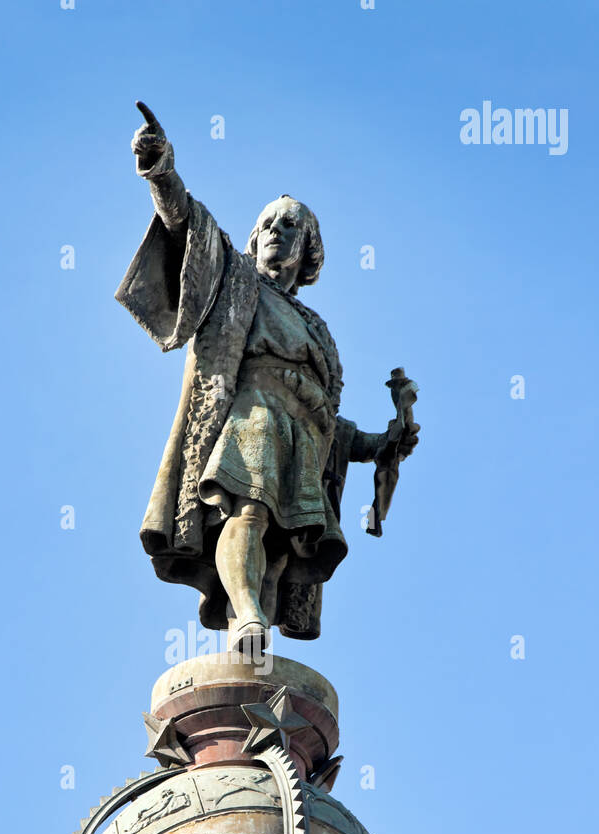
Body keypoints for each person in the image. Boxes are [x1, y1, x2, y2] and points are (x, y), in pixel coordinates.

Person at [116, 103, 419, 652]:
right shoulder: (234, 278)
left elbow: (329, 421)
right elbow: (187, 226)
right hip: (252, 416)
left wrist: (381, 443)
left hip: (305, 439)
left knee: (284, 547)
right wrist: (161, 171)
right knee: (249, 510)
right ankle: (248, 615)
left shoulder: (317, 329)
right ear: (253, 240)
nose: (276, 231)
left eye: (290, 225)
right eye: (268, 224)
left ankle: (253, 631)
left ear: (308, 251)